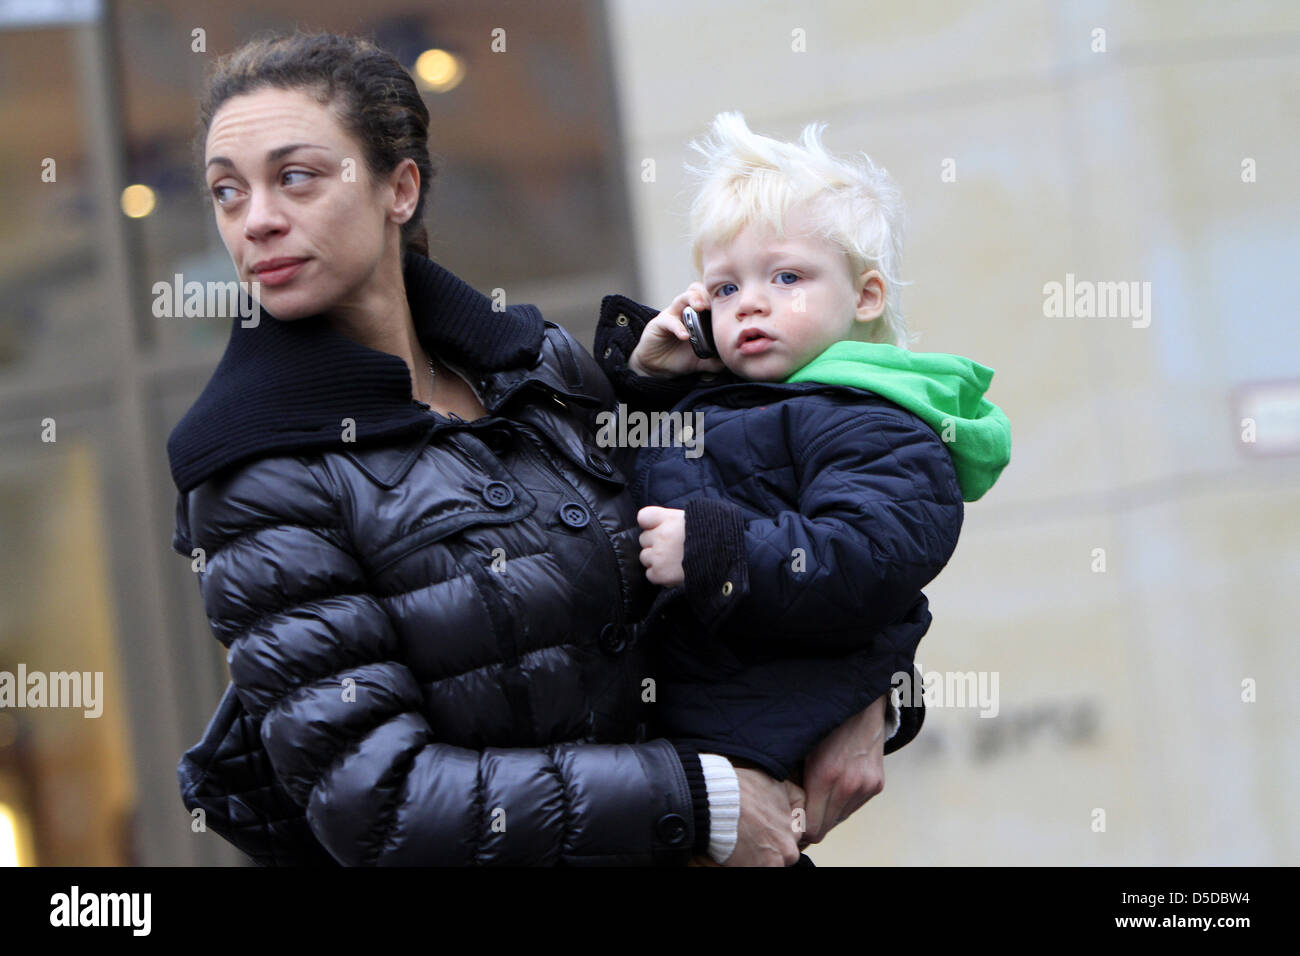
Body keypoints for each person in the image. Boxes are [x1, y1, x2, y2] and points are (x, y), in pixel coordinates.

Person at [168, 32, 898, 867]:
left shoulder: (534, 369)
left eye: (294, 177)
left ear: (399, 189)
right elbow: (380, 805)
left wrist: (873, 689)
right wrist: (697, 800)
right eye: (228, 192)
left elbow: (795, 532)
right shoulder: (258, 474)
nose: (257, 219)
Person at [593, 113, 1012, 864]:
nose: (750, 302)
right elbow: (640, 476)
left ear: (867, 296)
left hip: (744, 736)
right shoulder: (740, 403)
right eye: (725, 287)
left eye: (786, 277)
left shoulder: (876, 423)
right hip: (682, 735)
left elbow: (869, 556)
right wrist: (648, 383)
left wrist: (715, 549)